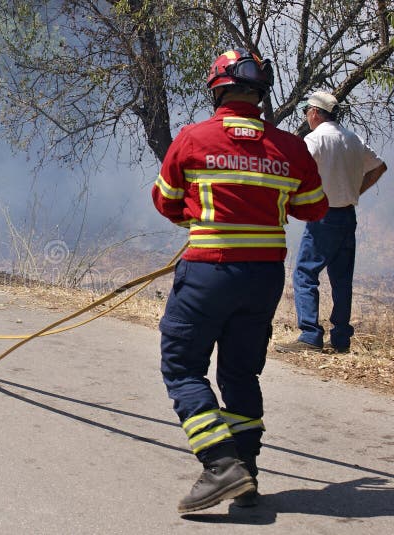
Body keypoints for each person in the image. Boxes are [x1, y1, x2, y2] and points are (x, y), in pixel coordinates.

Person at [151, 48, 328, 513]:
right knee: (240, 373)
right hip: (263, 278)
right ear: (260, 93)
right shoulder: (291, 147)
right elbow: (314, 208)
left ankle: (218, 465)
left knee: (183, 367)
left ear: (217, 89)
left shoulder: (193, 138)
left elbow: (166, 201)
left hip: (208, 272)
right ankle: (245, 474)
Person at [276, 91, 387, 354]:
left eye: (307, 112)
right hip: (348, 215)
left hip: (323, 215)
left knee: (304, 272)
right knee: (342, 278)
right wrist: (355, 191)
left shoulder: (314, 140)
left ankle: (310, 335)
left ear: (315, 112)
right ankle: (340, 339)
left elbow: (295, 172)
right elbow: (380, 166)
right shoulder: (353, 139)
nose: (306, 116)